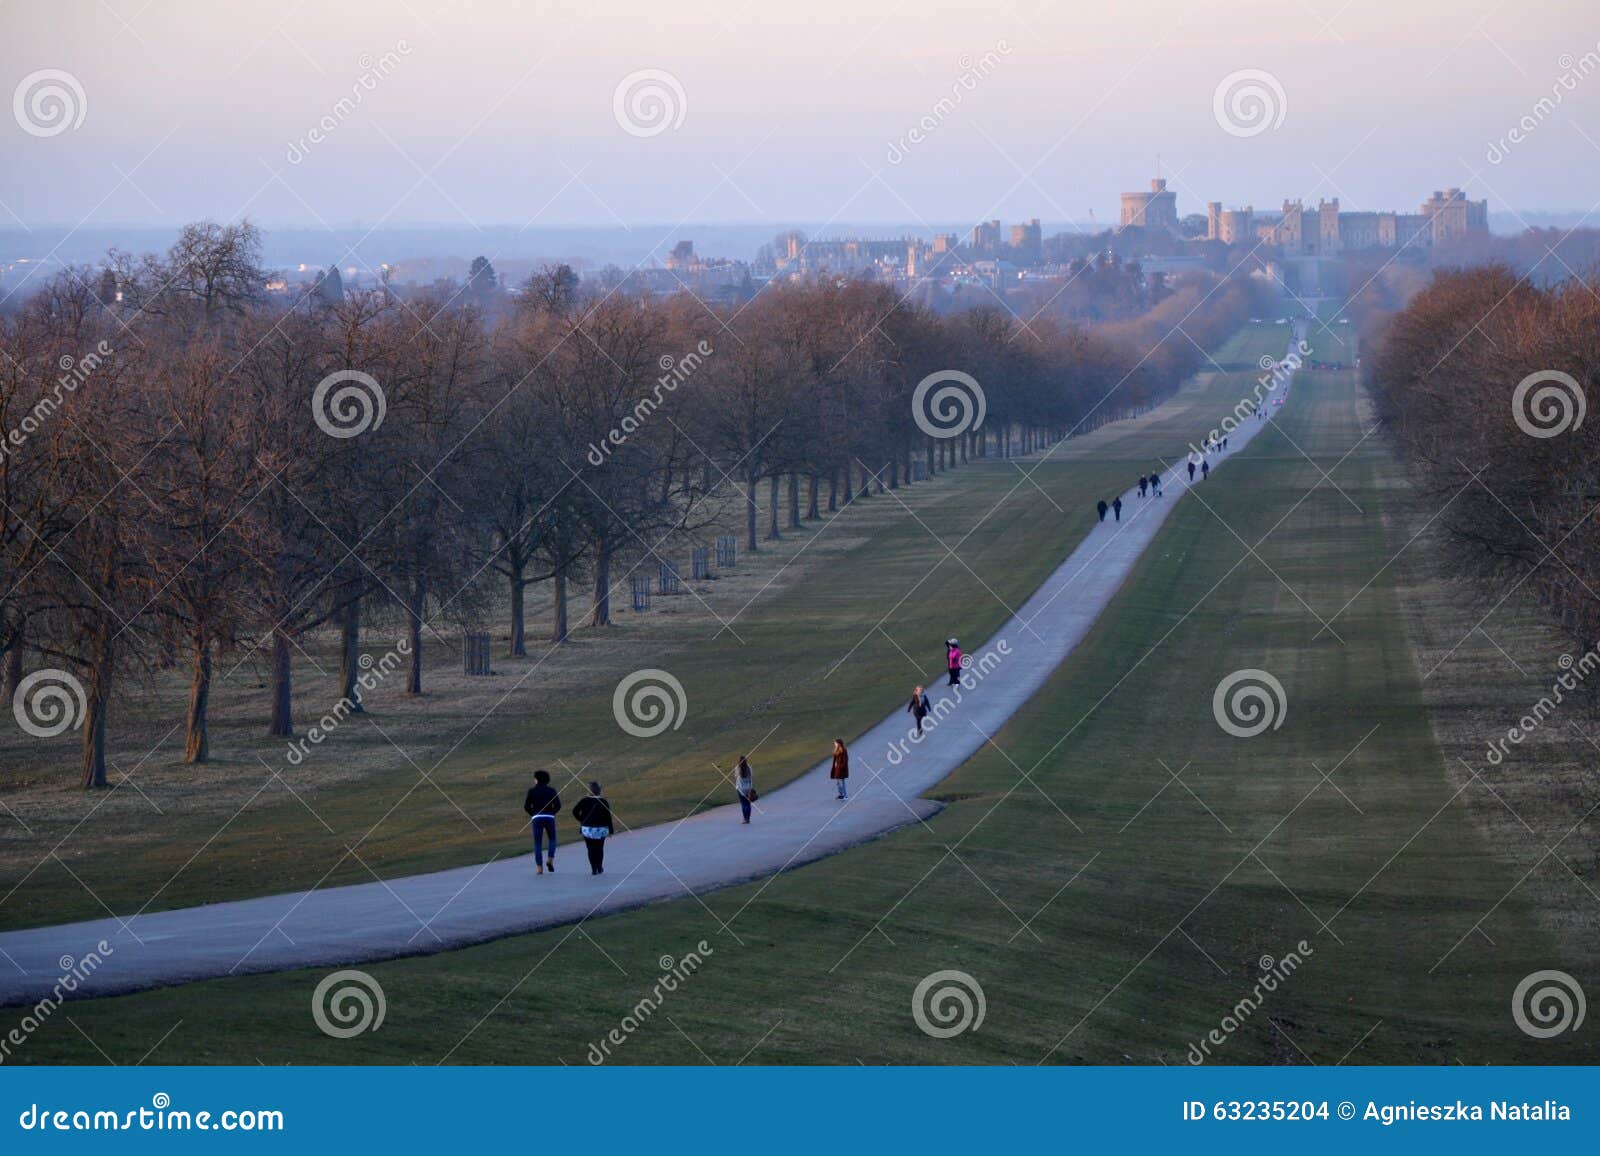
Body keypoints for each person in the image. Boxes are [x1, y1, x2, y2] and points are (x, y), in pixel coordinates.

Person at [523, 769, 562, 875]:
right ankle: (550, 859)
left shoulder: (532, 791)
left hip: (537, 817)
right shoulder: (552, 790)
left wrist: (533, 814)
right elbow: (558, 805)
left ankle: (539, 867)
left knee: (538, 843)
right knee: (552, 839)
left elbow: (526, 806)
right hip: (549, 816)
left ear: (536, 779)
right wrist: (552, 813)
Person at [571, 781, 613, 875]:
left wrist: (582, 819)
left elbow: (574, 811)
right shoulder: (603, 801)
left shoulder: (584, 800)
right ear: (599, 791)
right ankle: (599, 867)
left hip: (587, 828)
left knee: (590, 849)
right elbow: (608, 817)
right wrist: (610, 830)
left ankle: (593, 868)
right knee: (599, 848)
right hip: (600, 829)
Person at [734, 756, 756, 824]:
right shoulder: (749, 768)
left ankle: (744, 819)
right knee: (748, 804)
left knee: (743, 804)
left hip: (740, 789)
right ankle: (748, 819)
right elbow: (751, 777)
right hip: (748, 788)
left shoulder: (737, 768)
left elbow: (735, 776)